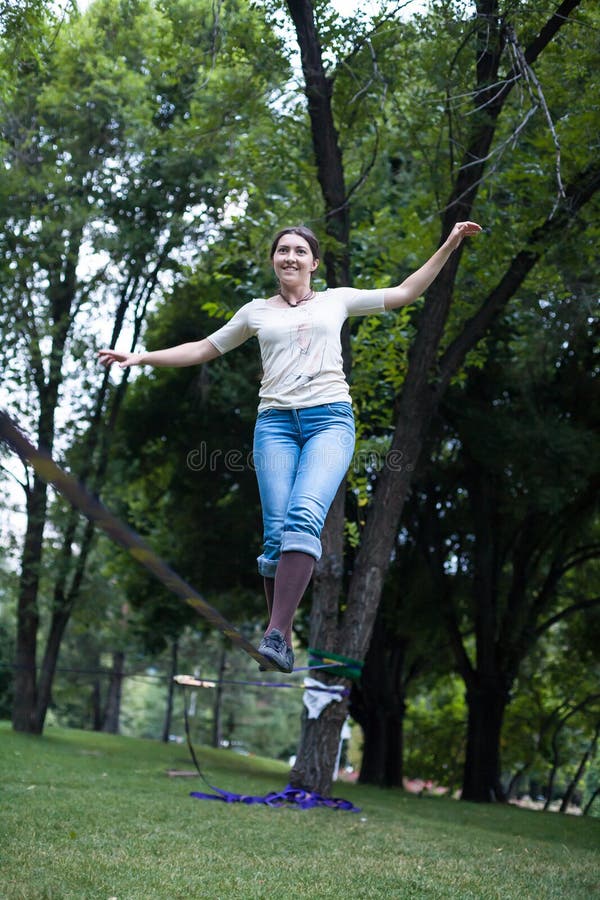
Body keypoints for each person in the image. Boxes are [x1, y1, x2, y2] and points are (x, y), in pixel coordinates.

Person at [99, 220, 481, 672]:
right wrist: (141, 356)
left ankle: (276, 634)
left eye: (300, 251)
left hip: (329, 421)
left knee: (303, 516)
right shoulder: (256, 312)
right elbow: (203, 348)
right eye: (283, 251)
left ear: (314, 263)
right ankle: (277, 637)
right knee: (277, 534)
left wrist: (451, 243)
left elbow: (404, 292)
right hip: (274, 425)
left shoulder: (337, 299)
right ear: (274, 261)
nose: (291, 257)